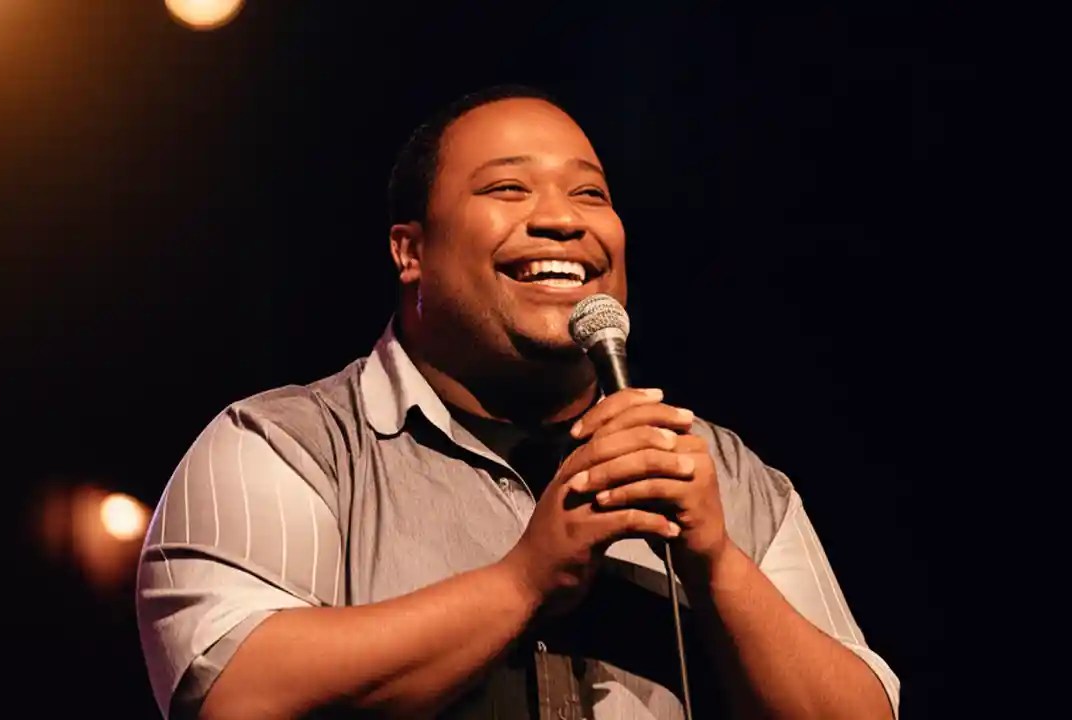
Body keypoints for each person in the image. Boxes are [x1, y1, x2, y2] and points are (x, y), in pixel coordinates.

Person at [136, 85, 900, 720]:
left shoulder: (721, 475)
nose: (563, 220)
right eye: (507, 188)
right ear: (411, 251)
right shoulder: (284, 446)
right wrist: (524, 580)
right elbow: (234, 692)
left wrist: (716, 563)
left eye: (590, 193)